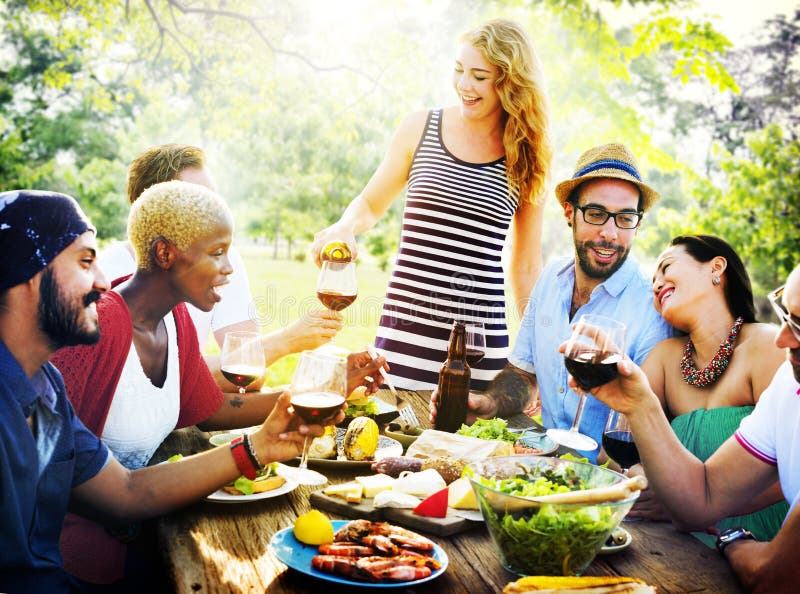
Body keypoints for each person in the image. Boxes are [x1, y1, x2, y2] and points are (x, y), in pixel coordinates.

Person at [50, 181, 383, 590]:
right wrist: (254, 448)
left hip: (155, 525)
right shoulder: (96, 330)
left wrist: (329, 387)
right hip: (81, 565)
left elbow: (211, 410)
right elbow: (53, 471)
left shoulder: (176, 321)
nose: (229, 267)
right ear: (165, 253)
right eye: (217, 252)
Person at [310, 18, 553, 391]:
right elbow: (370, 204)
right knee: (394, 443)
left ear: (509, 82)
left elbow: (525, 267)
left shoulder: (527, 156)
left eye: (479, 76)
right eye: (459, 71)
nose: (463, 85)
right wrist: (345, 225)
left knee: (471, 449)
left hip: (479, 350)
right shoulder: (419, 128)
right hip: (405, 336)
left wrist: (536, 354)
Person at [430, 142, 673, 461]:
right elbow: (523, 376)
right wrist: (485, 404)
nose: (610, 233)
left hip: (606, 483)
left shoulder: (653, 310)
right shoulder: (550, 279)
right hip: (539, 464)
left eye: (625, 218)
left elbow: (651, 430)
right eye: (597, 214)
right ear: (570, 213)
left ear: (637, 224)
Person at [586, 264, 800, 594]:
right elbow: (702, 496)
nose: (784, 338)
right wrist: (639, 405)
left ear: (716, 268)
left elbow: (772, 576)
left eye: (798, 326)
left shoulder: (765, 345)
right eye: (785, 314)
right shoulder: (789, 384)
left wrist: (731, 539)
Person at [101, 143, 342, 391]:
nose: (216, 213)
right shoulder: (109, 278)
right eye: (200, 202)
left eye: (215, 199)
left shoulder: (223, 261)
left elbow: (250, 379)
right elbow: (160, 387)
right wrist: (286, 341)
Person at [624, 235, 787, 542]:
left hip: (758, 543)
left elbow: (794, 466)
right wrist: (641, 475)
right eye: (653, 281)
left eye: (666, 267)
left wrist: (694, 506)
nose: (657, 284)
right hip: (673, 544)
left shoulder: (768, 345)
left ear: (716, 268)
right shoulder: (663, 358)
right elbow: (617, 440)